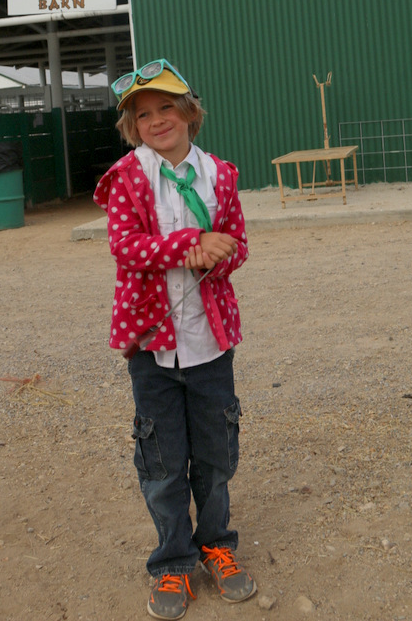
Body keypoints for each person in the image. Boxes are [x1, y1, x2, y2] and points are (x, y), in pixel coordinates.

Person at [94, 58, 256, 620]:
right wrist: (186, 243)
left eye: (166, 107)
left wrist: (222, 250)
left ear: (189, 113)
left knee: (214, 454)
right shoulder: (128, 178)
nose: (157, 120)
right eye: (143, 114)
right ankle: (172, 560)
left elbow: (236, 242)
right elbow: (125, 246)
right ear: (133, 127)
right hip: (153, 348)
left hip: (211, 343)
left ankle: (216, 545)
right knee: (163, 460)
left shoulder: (222, 176)